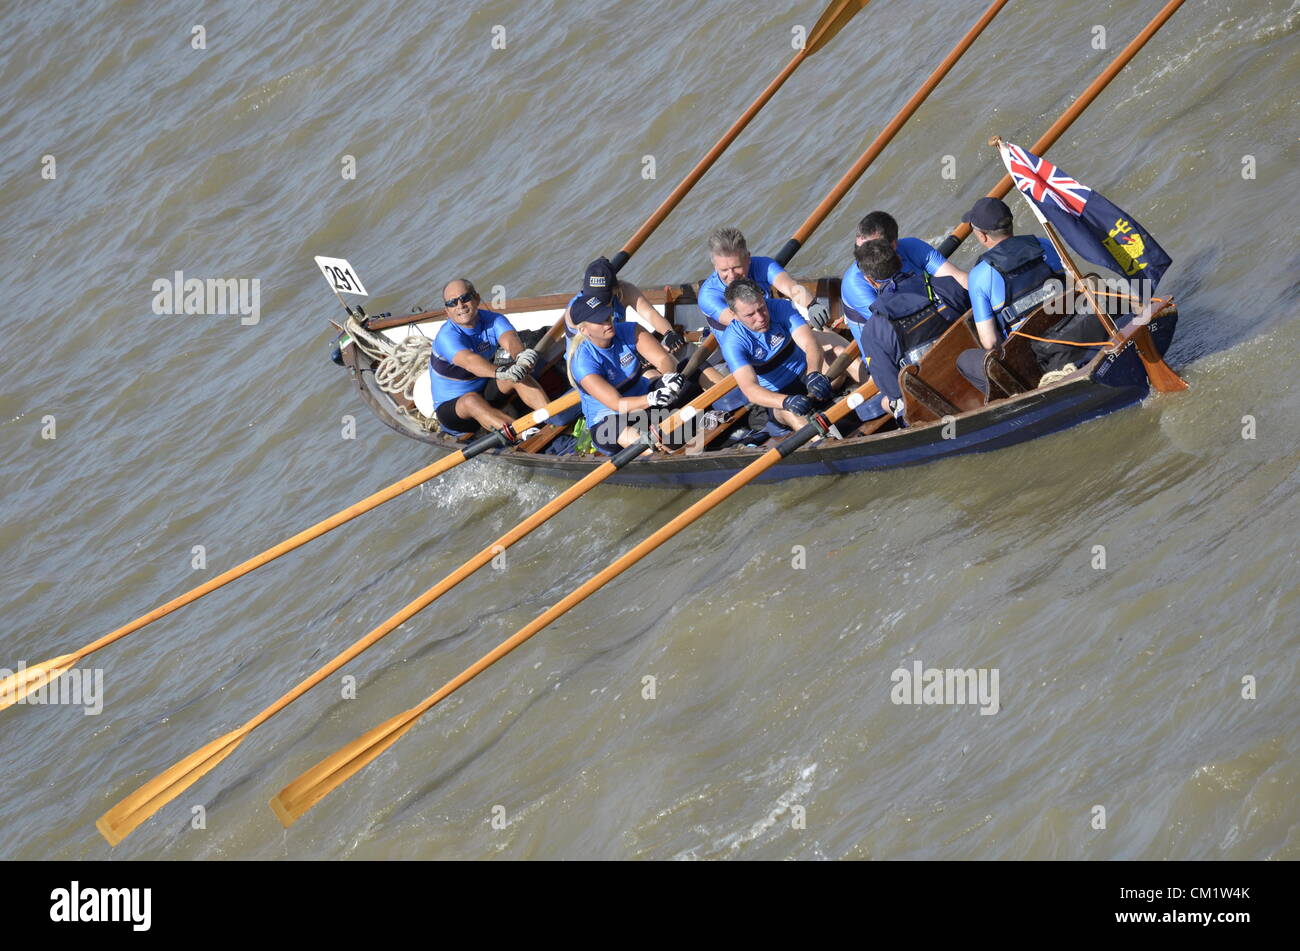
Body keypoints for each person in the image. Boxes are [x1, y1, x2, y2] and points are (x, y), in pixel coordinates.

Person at [953, 197, 1065, 396]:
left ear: (982, 236)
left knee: (965, 360)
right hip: (1067, 331)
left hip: (1027, 356)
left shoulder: (979, 275)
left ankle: (1011, 395)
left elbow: (990, 343)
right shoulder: (1044, 244)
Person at [850, 239, 970, 418]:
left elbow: (893, 390)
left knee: (887, 403)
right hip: (971, 372)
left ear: (870, 281)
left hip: (936, 401)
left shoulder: (873, 331)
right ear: (899, 260)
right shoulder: (945, 285)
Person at [568, 289, 688, 454]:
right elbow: (617, 404)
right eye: (599, 321)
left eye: (607, 316)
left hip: (644, 403)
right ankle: (657, 455)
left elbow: (663, 360)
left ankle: (729, 406)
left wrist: (668, 377)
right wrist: (652, 398)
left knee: (688, 370)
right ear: (584, 331)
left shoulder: (629, 330)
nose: (607, 322)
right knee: (615, 427)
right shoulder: (583, 362)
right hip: (610, 421)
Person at [429, 279, 552, 439]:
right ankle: (525, 435)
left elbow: (510, 340)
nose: (460, 305)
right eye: (452, 303)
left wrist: (521, 358)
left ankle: (554, 418)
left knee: (517, 373)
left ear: (477, 298)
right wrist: (501, 372)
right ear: (447, 311)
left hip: (485, 394)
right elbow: (470, 362)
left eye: (465, 298)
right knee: (471, 400)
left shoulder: (494, 320)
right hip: (455, 412)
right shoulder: (446, 337)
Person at [717, 278, 845, 431]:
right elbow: (750, 389)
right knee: (790, 413)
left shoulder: (780, 307)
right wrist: (786, 401)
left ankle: (878, 395)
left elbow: (810, 344)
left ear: (763, 298)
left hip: (808, 376)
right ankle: (823, 443)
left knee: (839, 354)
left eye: (762, 308)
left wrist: (813, 373)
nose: (760, 317)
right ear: (734, 315)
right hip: (779, 397)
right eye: (750, 315)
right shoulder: (732, 342)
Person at [841, 210, 968, 325]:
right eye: (858, 249)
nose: (862, 255)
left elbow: (959, 279)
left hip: (927, 320)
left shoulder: (912, 246)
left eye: (871, 247)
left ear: (894, 244)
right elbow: (888, 326)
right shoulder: (854, 282)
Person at [698, 227, 830, 332]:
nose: (731, 276)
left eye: (737, 267)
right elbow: (744, 322)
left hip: (773, 322)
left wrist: (811, 304)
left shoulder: (763, 265)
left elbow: (791, 287)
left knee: (826, 333)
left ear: (748, 258)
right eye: (724, 270)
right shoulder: (708, 295)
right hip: (748, 345)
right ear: (715, 267)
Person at [565, 257, 684, 353]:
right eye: (592, 295)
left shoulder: (625, 291)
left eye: (602, 298)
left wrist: (668, 332)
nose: (597, 302)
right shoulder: (575, 311)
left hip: (620, 351)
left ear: (616, 290)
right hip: (591, 363)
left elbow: (650, 314)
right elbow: (600, 344)